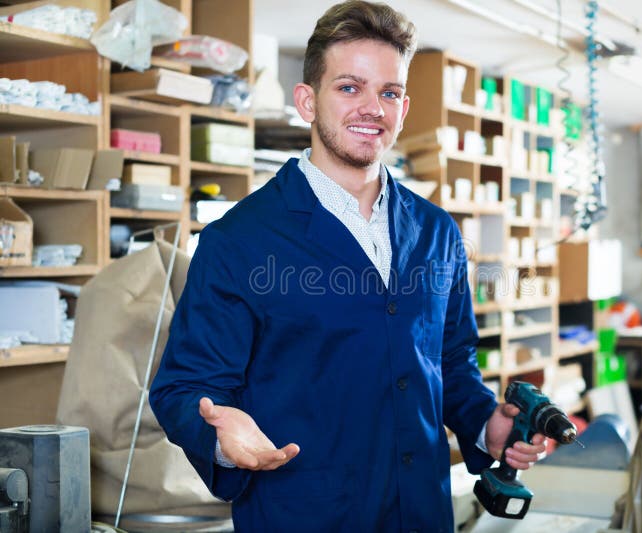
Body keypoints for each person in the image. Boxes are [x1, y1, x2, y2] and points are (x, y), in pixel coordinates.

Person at [149, 1, 546, 530]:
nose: (372, 108)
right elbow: (182, 387)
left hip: (422, 513)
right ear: (307, 101)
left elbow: (450, 363)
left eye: (389, 92)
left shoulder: (436, 233)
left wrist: (484, 426)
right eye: (349, 87)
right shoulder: (238, 241)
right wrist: (221, 435)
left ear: (404, 106)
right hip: (304, 513)